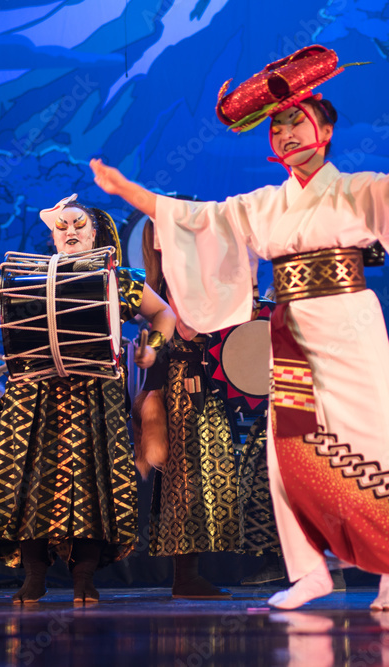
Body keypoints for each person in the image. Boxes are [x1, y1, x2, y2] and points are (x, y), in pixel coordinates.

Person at [92, 44, 389, 610]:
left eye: (295, 122)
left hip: (350, 321)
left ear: (324, 130)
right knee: (287, 451)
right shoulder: (264, 204)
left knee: (373, 440)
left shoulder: (358, 189)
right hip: (291, 328)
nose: (283, 134)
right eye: (275, 127)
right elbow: (193, 218)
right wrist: (124, 190)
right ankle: (310, 571)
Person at [0, 194, 175, 603]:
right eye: (61, 225)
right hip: (33, 398)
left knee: (92, 485)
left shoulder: (118, 277)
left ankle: (84, 577)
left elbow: (165, 315)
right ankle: (34, 576)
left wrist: (152, 345)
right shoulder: (30, 276)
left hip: (94, 396)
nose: (69, 231)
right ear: (51, 236)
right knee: (28, 484)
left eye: (78, 224)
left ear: (96, 232)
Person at [134, 219, 240, 598]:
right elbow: (180, 332)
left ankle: (191, 573)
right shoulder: (157, 289)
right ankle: (185, 574)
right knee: (185, 482)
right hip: (178, 394)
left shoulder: (202, 282)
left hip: (208, 389)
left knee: (209, 481)